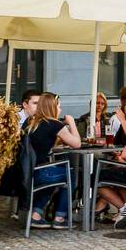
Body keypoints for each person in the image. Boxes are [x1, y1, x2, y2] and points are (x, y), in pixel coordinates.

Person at [24, 93, 81, 229]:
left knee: (54, 175)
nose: (60, 110)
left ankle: (36, 216)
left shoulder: (31, 122)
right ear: (53, 107)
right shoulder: (54, 124)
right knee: (70, 174)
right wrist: (72, 123)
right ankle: (60, 218)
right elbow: (77, 144)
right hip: (38, 172)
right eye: (59, 106)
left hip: (26, 171)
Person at [92, 96, 126, 221]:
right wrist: (117, 154)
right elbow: (116, 145)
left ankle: (124, 209)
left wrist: (122, 120)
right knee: (116, 167)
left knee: (97, 177)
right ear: (125, 113)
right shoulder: (125, 126)